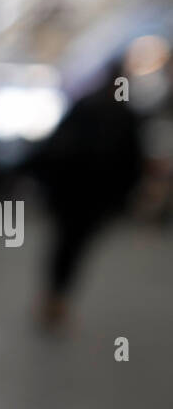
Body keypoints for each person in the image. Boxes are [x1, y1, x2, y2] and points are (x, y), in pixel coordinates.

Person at [26, 62, 146, 332]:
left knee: (63, 244)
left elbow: (56, 144)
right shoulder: (126, 115)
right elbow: (133, 164)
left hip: (70, 193)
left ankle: (53, 295)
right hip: (96, 200)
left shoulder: (87, 106)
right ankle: (58, 296)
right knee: (76, 248)